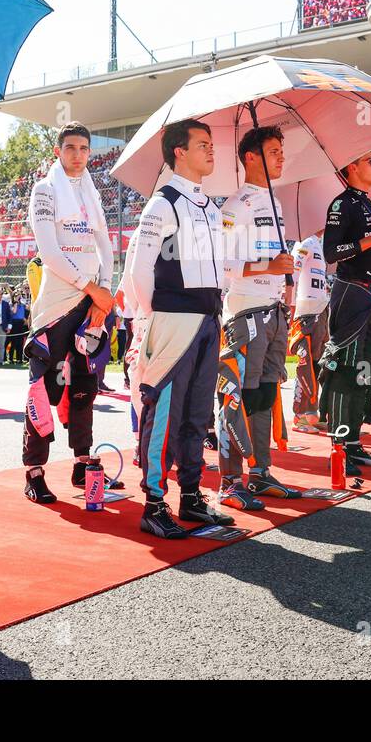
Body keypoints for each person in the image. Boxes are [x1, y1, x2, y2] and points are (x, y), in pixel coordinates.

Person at [125, 118, 232, 538]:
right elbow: (138, 270)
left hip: (209, 319)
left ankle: (190, 495)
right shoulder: (162, 203)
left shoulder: (210, 205)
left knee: (197, 414)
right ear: (178, 152)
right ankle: (153, 502)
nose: (211, 150)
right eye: (202, 144)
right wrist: (158, 315)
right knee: (164, 412)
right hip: (173, 321)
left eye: (211, 144)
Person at [22, 122, 117, 503]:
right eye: (71, 147)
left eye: (84, 148)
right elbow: (49, 253)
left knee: (85, 388)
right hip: (56, 306)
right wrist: (91, 287)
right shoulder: (44, 190)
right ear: (58, 152)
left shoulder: (91, 192)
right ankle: (34, 471)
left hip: (91, 304)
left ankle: (83, 463)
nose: (78, 154)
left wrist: (103, 294)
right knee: (45, 388)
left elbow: (105, 247)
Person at [215, 126, 303, 511]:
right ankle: (230, 480)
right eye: (273, 151)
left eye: (282, 151)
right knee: (237, 396)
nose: (282, 158)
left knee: (266, 394)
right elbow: (224, 265)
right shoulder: (236, 205)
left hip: (275, 312)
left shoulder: (276, 202)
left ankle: (261, 471)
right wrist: (267, 265)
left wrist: (285, 282)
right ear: (251, 157)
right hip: (245, 312)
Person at [320, 151, 371, 474]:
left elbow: (368, 247)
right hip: (350, 292)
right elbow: (332, 253)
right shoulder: (341, 204)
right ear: (352, 166)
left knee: (366, 369)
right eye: (370, 161)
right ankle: (338, 446)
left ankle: (353, 442)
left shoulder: (367, 203)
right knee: (345, 371)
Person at [288, 228, 329, 433]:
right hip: (305, 313)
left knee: (316, 365)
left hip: (320, 309)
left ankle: (311, 414)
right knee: (305, 366)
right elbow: (293, 275)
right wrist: (292, 308)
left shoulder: (318, 242)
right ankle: (299, 416)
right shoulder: (304, 241)